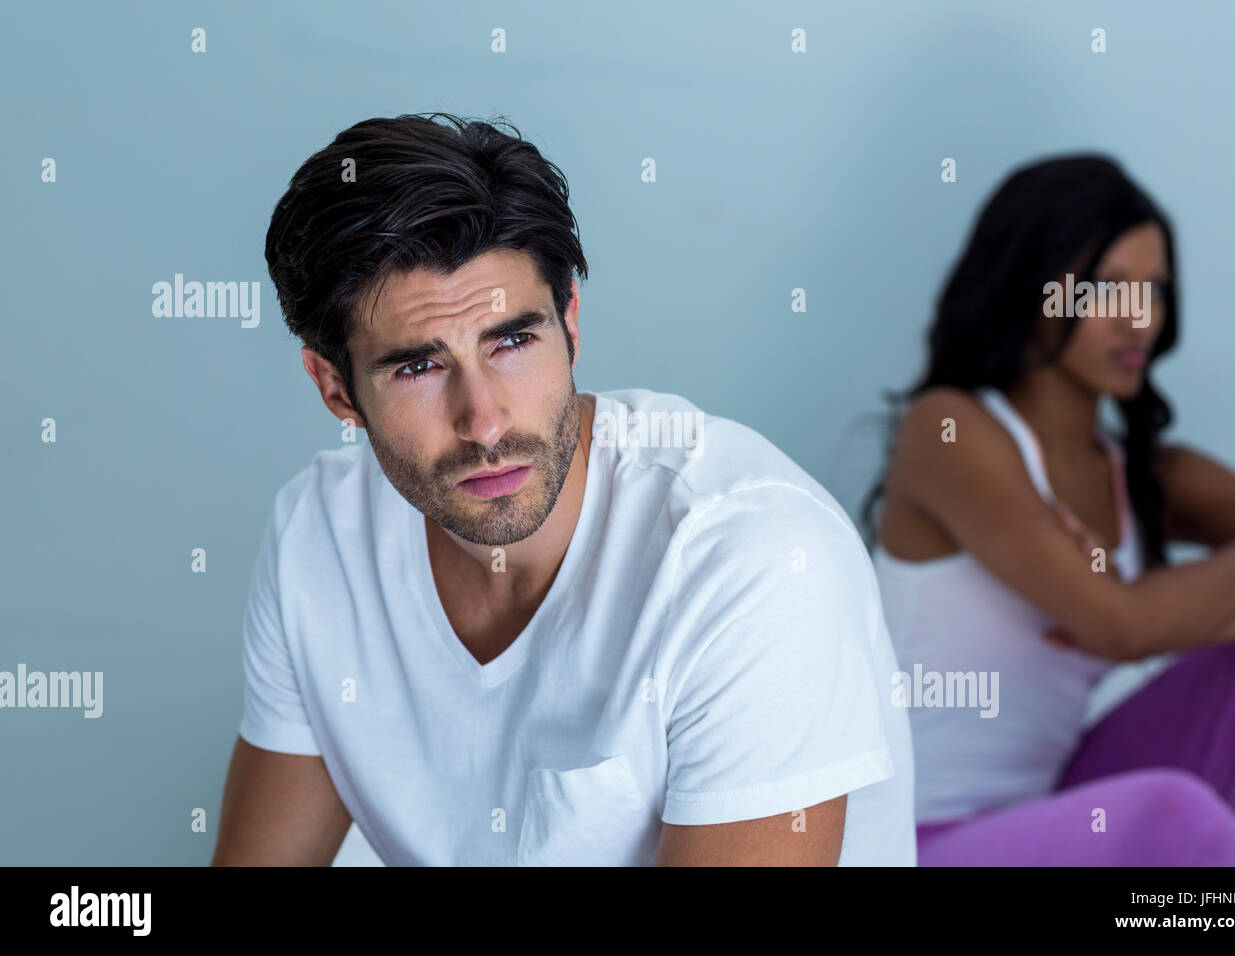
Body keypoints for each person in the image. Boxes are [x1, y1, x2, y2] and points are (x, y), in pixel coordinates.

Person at [211, 112, 915, 866]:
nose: (483, 422)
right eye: (417, 367)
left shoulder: (753, 559)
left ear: (571, 322)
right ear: (335, 389)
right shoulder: (319, 539)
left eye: (513, 340)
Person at [860, 154, 1235, 866]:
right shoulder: (948, 431)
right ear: (1026, 287)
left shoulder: (1150, 473)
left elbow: (1133, 622)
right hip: (912, 842)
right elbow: (1119, 626)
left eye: (1155, 290)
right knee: (1175, 817)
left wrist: (1174, 612)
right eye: (1106, 288)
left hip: (1058, 809)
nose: (1141, 319)